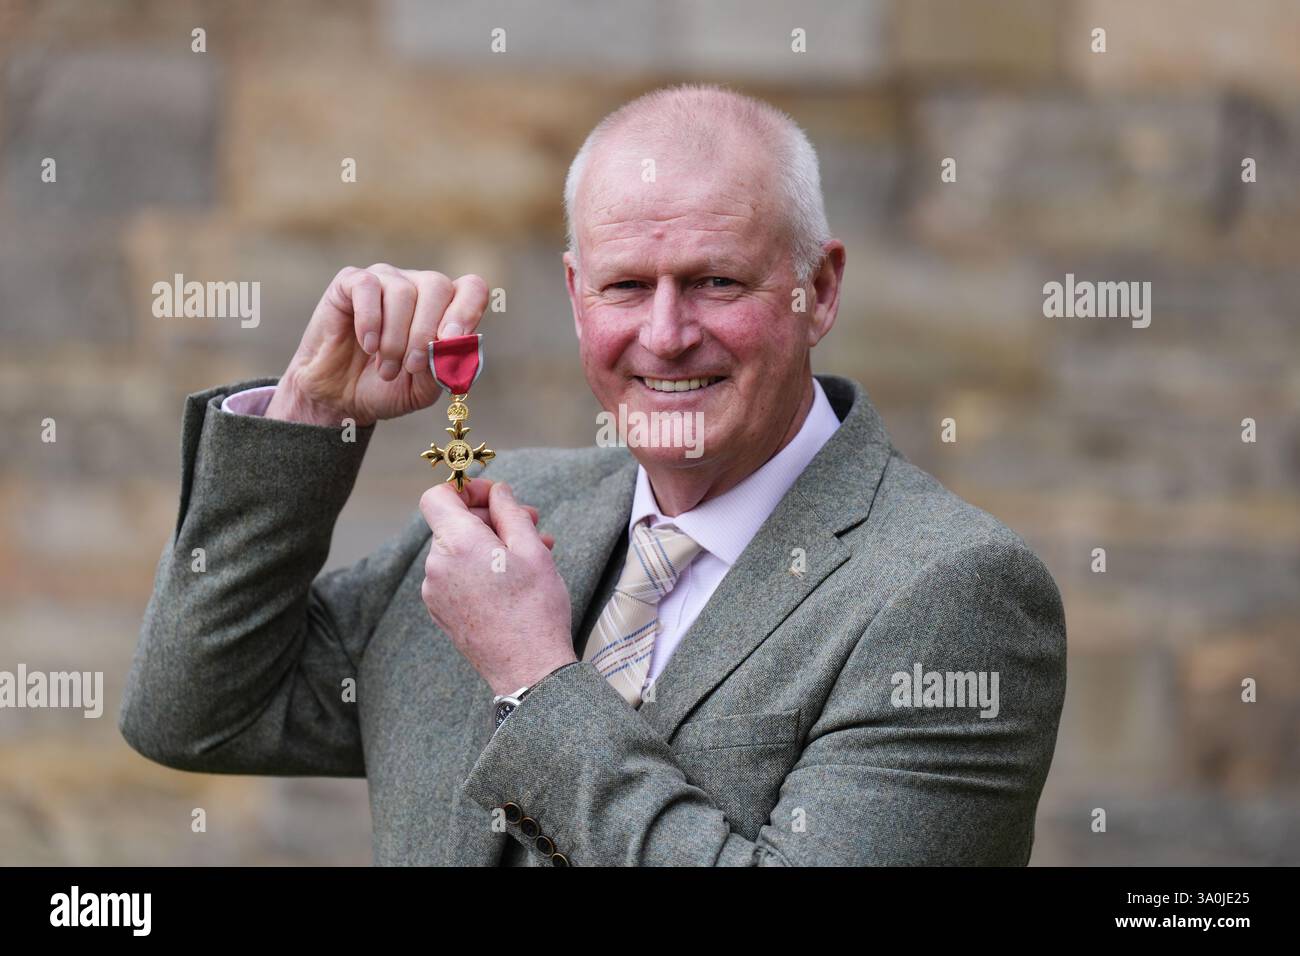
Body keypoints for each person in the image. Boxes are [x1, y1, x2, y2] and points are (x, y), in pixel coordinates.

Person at [120, 83, 1066, 866]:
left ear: (815, 290)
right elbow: (193, 713)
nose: (664, 334)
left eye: (716, 282)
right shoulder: (501, 522)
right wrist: (310, 414)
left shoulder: (951, 591)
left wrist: (534, 676)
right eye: (626, 286)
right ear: (578, 298)